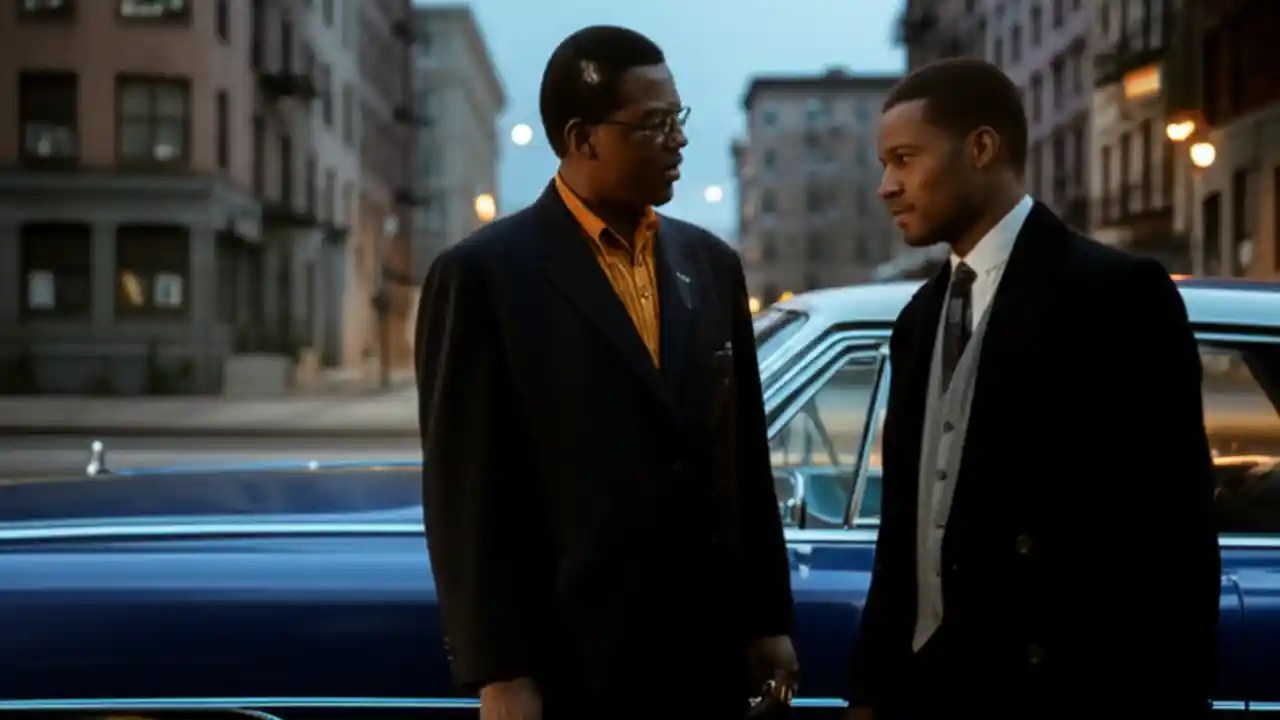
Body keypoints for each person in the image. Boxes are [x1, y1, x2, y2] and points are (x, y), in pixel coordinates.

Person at [414, 25, 798, 720]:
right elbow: (464, 494)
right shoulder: (484, 277)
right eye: (654, 124)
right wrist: (499, 673)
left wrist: (769, 618)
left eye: (677, 118)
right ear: (581, 138)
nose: (678, 139)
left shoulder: (711, 266)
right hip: (572, 665)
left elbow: (742, 462)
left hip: (704, 658)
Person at [842, 58, 1220, 719]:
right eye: (884, 164)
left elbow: (1175, 531)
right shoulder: (919, 318)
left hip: (1059, 692)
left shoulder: (1113, 294)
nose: (887, 186)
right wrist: (873, 690)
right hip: (931, 692)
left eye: (904, 159)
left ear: (982, 148)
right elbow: (902, 532)